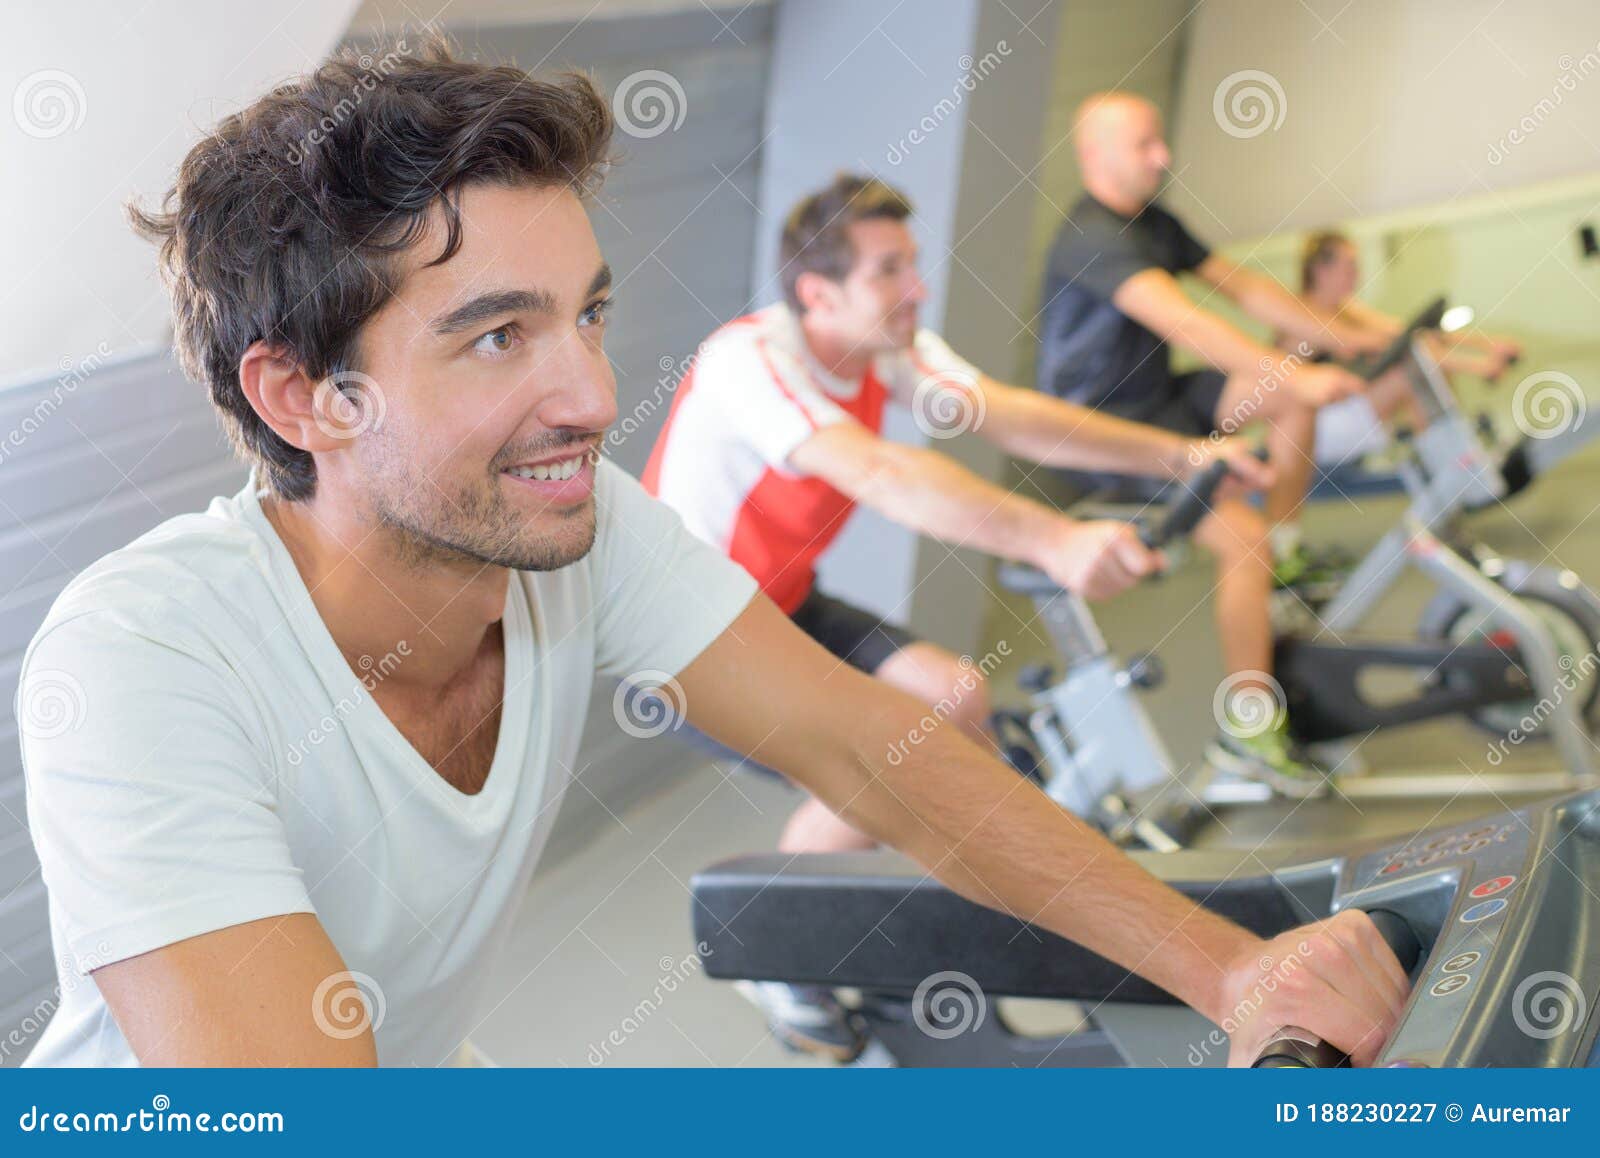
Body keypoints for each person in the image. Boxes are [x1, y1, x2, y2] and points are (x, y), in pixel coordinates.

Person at [16, 38, 1407, 1071]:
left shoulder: (581, 530)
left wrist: (1236, 970)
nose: (593, 395)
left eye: (588, 316)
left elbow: (878, 753)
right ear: (302, 395)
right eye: (499, 334)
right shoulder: (141, 655)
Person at [645, 172, 1322, 834]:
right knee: (874, 768)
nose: (917, 290)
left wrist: (1183, 456)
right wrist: (1053, 541)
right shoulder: (748, 360)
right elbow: (881, 474)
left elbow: (1019, 419)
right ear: (818, 293)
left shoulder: (885, 350)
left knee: (957, 698)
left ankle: (994, 892)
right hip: (690, 635)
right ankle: (786, 935)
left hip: (783, 600)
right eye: (888, 272)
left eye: (912, 265)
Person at [1037, 91, 1389, 588]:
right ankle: (1256, 645)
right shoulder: (1090, 238)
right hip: (1103, 432)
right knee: (1246, 540)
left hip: (1160, 398)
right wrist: (1292, 371)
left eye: (1160, 141)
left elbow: (1246, 289)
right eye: (1145, 145)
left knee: (1291, 401)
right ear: (1095, 154)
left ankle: (1285, 560)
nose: (1163, 157)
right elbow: (1186, 323)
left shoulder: (1155, 223)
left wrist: (1344, 338)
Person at [1292, 230, 1523, 466]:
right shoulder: (1302, 313)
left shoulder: (1343, 306)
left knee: (1420, 363)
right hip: (1311, 431)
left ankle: (1459, 458)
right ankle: (1454, 464)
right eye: (1349, 267)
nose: (1357, 275)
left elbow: (1404, 332)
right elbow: (1385, 342)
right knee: (1408, 372)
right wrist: (1479, 365)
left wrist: (1489, 344)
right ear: (1321, 270)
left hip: (1341, 411)